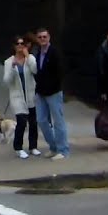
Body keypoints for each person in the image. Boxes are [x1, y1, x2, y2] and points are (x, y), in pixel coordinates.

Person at [33, 27, 70, 159]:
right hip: (41, 92)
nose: (42, 39)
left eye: (45, 37)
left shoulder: (54, 53)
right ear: (37, 39)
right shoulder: (37, 53)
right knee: (41, 120)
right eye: (40, 37)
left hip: (53, 92)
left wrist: (54, 86)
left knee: (58, 121)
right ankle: (53, 146)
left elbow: (60, 72)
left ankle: (63, 150)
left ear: (49, 38)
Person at [2, 36, 41, 158]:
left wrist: (28, 56)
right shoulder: (9, 62)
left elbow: (35, 70)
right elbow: (7, 81)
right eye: (17, 44)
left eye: (22, 44)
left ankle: (33, 146)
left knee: (33, 122)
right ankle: (18, 147)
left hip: (30, 95)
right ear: (14, 46)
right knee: (22, 121)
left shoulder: (30, 58)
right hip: (17, 97)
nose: (20, 46)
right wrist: (13, 68)